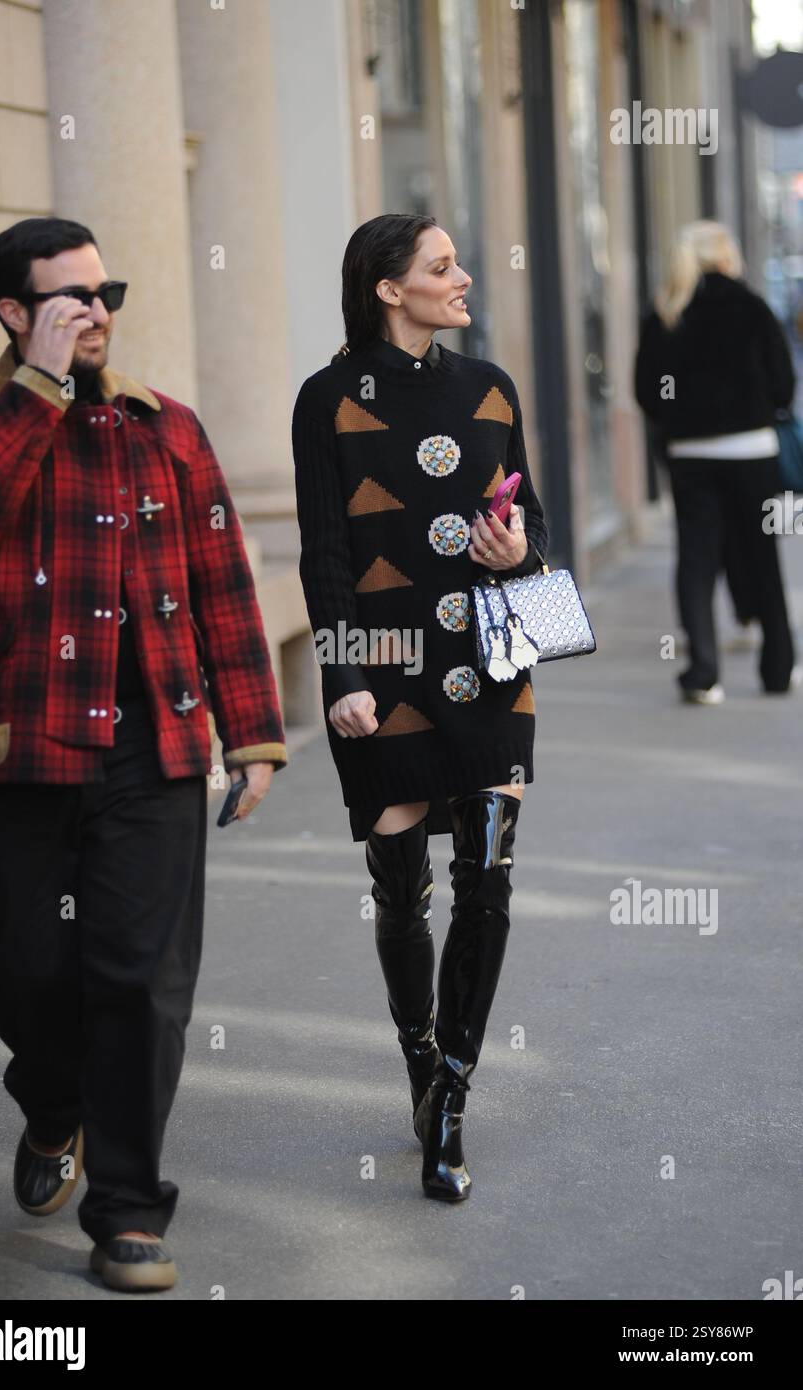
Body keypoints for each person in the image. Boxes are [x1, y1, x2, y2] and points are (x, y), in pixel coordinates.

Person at [0, 217, 287, 1291]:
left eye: (104, 292)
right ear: (13, 312)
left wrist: (253, 732)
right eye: (68, 297)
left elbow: (224, 580)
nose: (96, 311)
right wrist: (36, 386)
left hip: (157, 746)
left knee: (140, 984)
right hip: (26, 744)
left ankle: (129, 1210)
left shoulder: (164, 428)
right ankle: (55, 1106)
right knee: (13, 958)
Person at [292, 213, 549, 1202]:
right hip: (384, 660)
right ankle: (417, 1055)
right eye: (441, 266)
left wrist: (516, 554)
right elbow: (324, 550)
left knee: (486, 876)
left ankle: (451, 1096)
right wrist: (341, 674)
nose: (463, 276)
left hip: (489, 655)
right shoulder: (327, 400)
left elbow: (533, 525)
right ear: (388, 289)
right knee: (402, 886)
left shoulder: (489, 387)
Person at [635, 220, 798, 702]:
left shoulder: (666, 313)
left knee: (696, 560)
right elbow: (784, 383)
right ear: (728, 255)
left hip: (690, 454)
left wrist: (677, 420)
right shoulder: (753, 307)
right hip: (752, 451)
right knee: (763, 558)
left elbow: (647, 390)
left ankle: (703, 674)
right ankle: (777, 670)